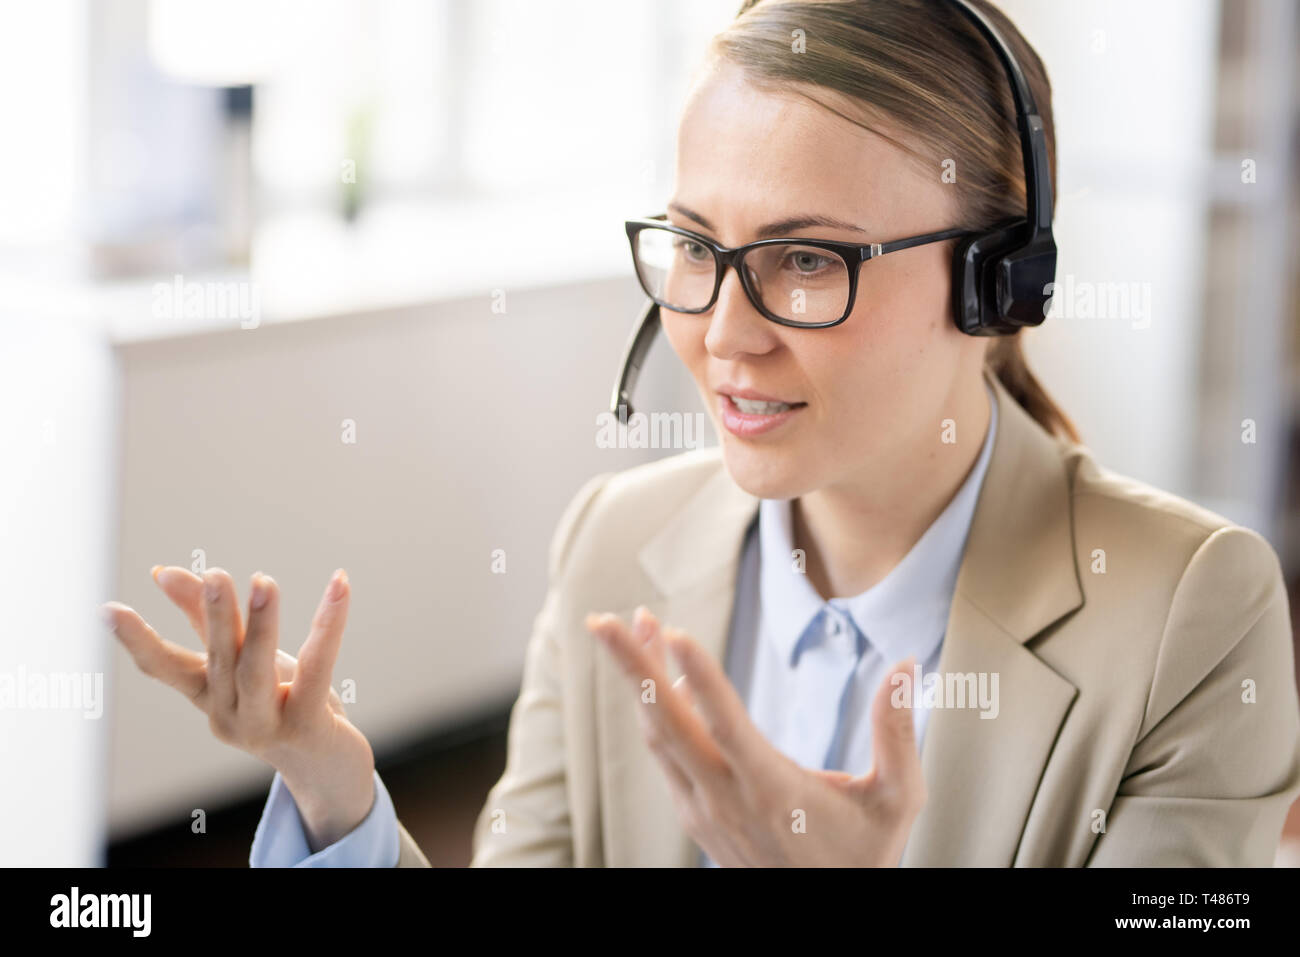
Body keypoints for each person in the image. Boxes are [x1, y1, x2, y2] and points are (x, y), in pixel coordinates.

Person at [103, 0, 1300, 867]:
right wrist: (329, 783)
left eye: (805, 259)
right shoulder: (616, 542)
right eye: (694, 246)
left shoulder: (1190, 613)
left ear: (996, 285)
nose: (724, 333)